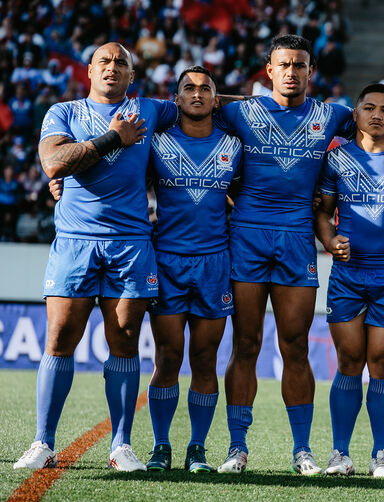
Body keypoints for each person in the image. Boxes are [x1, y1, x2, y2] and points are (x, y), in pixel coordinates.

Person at [13, 42, 177, 472]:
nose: (112, 67)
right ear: (89, 70)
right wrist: (113, 139)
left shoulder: (151, 110)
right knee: (60, 338)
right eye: (104, 61)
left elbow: (203, 99)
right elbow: (53, 162)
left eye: (121, 62)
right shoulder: (63, 113)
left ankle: (121, 446)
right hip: (75, 241)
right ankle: (42, 442)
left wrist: (270, 100)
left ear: (131, 76)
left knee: (124, 339)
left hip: (131, 245)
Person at [215, 34, 356, 475]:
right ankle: (237, 448)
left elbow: (383, 120)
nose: (292, 72)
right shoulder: (240, 111)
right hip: (247, 238)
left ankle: (302, 451)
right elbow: (197, 104)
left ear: (311, 71)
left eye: (300, 65)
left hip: (297, 239)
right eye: (283, 65)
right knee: (246, 344)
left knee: (295, 345)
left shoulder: (333, 115)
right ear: (269, 71)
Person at [314, 83, 384, 478]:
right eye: (369, 108)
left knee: (381, 364)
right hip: (347, 274)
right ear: (356, 115)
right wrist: (329, 240)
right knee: (348, 362)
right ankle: (339, 453)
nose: (377, 114)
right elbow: (323, 214)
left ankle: (381, 455)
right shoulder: (337, 160)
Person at [143, 66, 242, 473]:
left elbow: (250, 193)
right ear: (176, 99)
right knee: (167, 359)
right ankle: (161, 446)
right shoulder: (156, 143)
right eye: (189, 89)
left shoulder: (235, 147)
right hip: (167, 261)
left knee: (205, 360)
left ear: (216, 100)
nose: (197, 94)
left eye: (206, 89)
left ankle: (197, 448)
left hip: (215, 264)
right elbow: (124, 178)